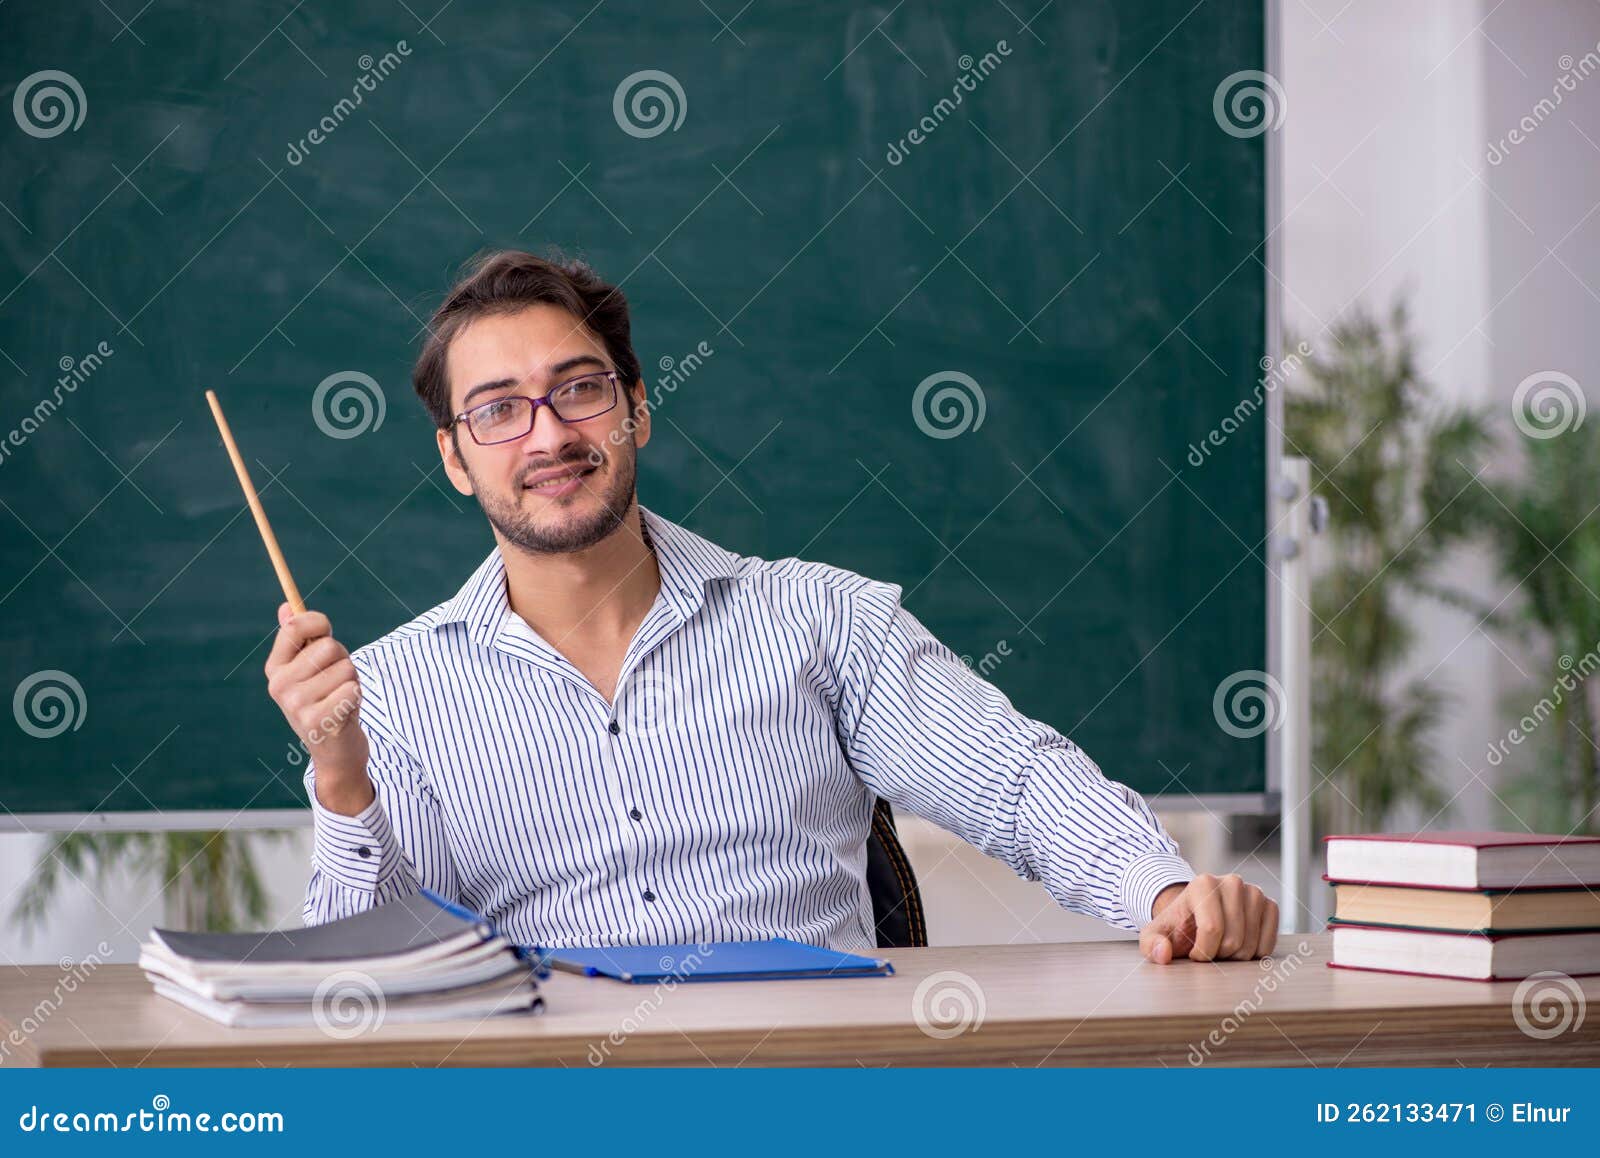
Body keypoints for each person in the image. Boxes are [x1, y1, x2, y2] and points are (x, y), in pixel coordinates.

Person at [265, 249, 1278, 963]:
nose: (547, 435)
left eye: (579, 389)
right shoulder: (388, 690)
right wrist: (343, 777)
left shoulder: (820, 622)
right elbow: (373, 969)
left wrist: (1165, 891)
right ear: (452, 456)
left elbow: (1014, 783)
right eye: (496, 410)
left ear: (636, 408)